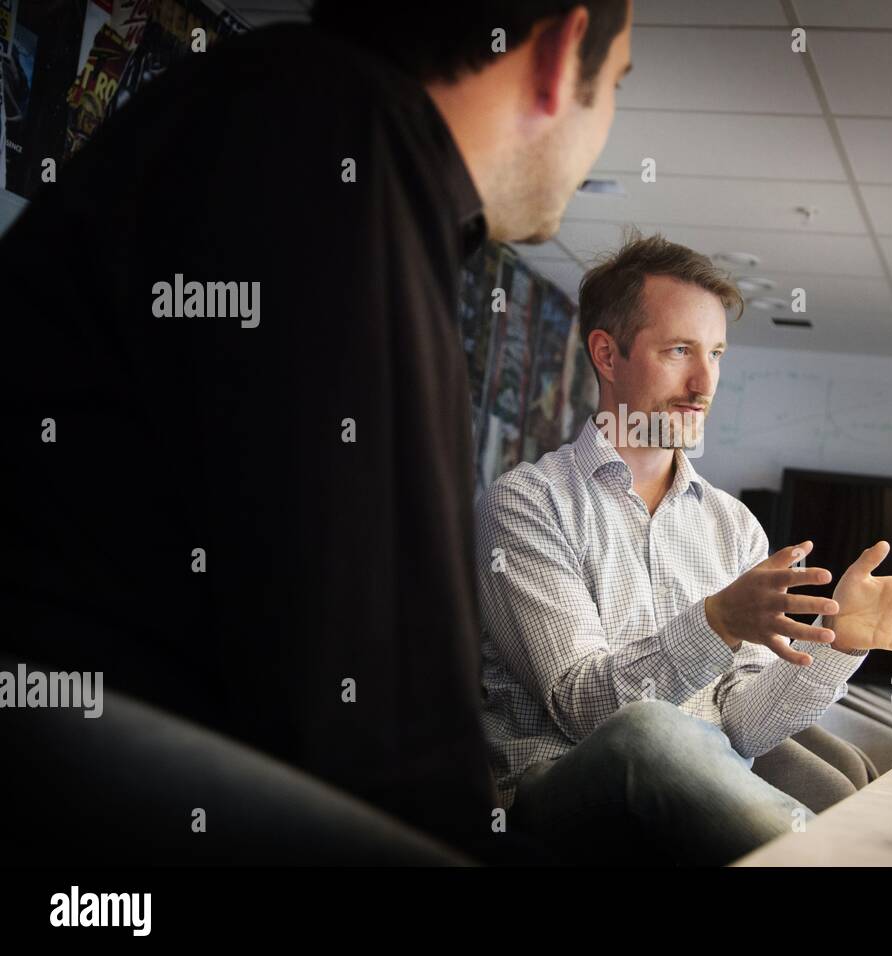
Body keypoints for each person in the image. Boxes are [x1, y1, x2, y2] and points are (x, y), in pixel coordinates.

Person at [0, 1, 632, 863]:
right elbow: (380, 729)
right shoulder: (343, 152)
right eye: (619, 84)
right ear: (561, 56)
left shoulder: (292, 111)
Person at [475, 231, 892, 864]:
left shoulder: (735, 527)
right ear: (606, 352)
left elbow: (742, 728)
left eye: (717, 353)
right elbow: (585, 711)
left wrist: (838, 642)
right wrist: (716, 623)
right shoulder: (525, 504)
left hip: (698, 793)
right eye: (679, 350)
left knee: (713, 744)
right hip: (560, 802)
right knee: (652, 733)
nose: (704, 381)